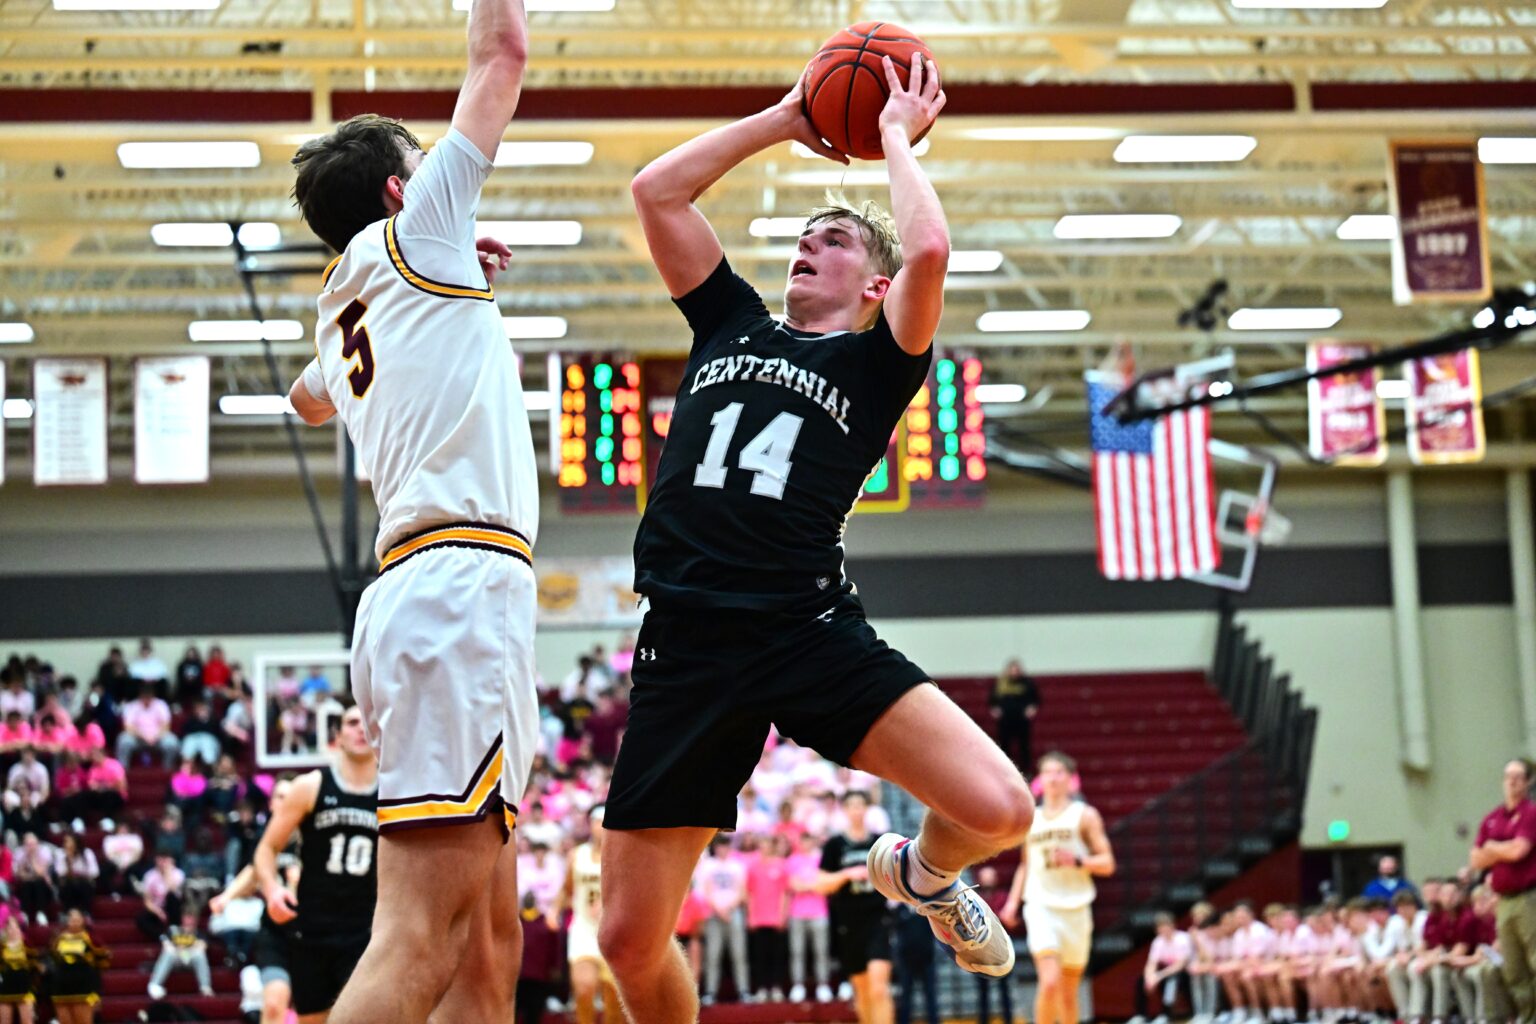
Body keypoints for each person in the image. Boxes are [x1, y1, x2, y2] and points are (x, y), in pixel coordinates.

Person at [600, 50, 1032, 1024]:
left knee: (1002, 807)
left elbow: (928, 253)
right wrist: (788, 119)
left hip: (805, 628)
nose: (809, 241)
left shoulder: (879, 365)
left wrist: (887, 138)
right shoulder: (729, 325)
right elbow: (656, 192)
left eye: (833, 238)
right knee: (626, 941)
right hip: (690, 640)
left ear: (872, 286)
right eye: (805, 232)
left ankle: (921, 874)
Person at [283, 0, 539, 1018]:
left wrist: (437, 288)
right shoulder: (417, 234)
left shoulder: (346, 302)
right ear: (403, 188)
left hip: (424, 601)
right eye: (425, 164)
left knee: (489, 942)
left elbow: (305, 398)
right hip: (457, 593)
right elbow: (502, 49)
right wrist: (438, 265)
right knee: (421, 944)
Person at [254, 706, 377, 1023]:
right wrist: (272, 890)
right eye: (352, 722)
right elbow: (267, 848)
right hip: (313, 931)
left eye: (367, 722)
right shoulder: (309, 786)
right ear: (337, 736)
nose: (361, 729)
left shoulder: (392, 792)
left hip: (367, 932)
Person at [1002, 752, 1116, 1024]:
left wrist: (1078, 860)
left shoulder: (1085, 815)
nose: (1052, 778)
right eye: (1046, 772)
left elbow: (1108, 863)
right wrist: (1012, 903)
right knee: (1050, 982)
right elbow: (1025, 866)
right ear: (1040, 780)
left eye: (1058, 772)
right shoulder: (1032, 818)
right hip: (1041, 906)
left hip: (1076, 909)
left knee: (1068, 992)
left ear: (1071, 779)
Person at [819, 792, 896, 1024]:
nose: (856, 810)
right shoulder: (834, 845)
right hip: (848, 922)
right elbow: (821, 884)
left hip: (878, 919)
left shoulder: (879, 842)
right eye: (851, 806)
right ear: (844, 810)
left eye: (861, 805)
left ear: (868, 809)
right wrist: (847, 874)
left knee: (878, 988)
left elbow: (895, 880)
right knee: (862, 990)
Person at [1469, 758, 1536, 1024]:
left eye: (1518, 776)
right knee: (1513, 968)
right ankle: (1528, 1017)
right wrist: (1502, 849)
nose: (1512, 781)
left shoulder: (1531, 813)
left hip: (1529, 897)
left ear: (1528, 781)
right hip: (1503, 900)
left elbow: (1520, 850)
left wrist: (1492, 848)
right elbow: (1475, 860)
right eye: (1508, 776)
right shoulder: (1492, 818)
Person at [553, 806, 624, 1024]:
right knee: (584, 988)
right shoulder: (576, 855)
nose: (601, 827)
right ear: (590, 825)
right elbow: (566, 889)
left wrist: (610, 905)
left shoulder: (621, 856)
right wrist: (554, 910)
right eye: (596, 821)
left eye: (605, 822)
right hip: (584, 928)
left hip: (613, 931)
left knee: (615, 999)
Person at [786, 830, 834, 1003]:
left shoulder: (820, 858)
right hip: (797, 912)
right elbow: (793, 885)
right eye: (803, 841)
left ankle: (823, 985)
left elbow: (823, 884)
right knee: (797, 951)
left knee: (821, 951)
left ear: (813, 842)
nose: (806, 845)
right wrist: (812, 885)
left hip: (819, 912)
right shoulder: (793, 860)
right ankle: (798, 985)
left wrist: (806, 885)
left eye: (808, 841)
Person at [48, 908, 109, 1024]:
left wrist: (96, 992)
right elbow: (53, 958)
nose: (74, 921)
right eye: (71, 918)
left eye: (77, 918)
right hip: (61, 988)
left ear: (83, 920)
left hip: (83, 988)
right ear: (67, 920)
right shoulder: (58, 938)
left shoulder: (91, 938)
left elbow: (101, 962)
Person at [1131, 911, 1192, 1024]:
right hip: (1165, 971)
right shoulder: (1157, 941)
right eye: (1160, 927)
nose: (1162, 930)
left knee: (1171, 981)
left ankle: (1166, 1014)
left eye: (1165, 926)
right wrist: (1149, 977)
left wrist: (1158, 976)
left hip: (1184, 972)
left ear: (1172, 925)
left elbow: (1180, 965)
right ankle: (1140, 1015)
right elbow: (1151, 963)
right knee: (1141, 980)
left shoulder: (1183, 938)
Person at [147, 908, 215, 999]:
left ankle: (205, 987)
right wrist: (182, 949)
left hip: (191, 959)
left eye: (191, 919)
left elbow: (202, 947)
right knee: (168, 953)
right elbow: (166, 944)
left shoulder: (200, 933)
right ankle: (155, 985)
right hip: (175, 959)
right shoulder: (173, 930)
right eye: (187, 918)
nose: (189, 921)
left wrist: (184, 949)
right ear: (182, 919)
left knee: (200, 955)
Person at [988, 659, 1041, 773]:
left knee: (1024, 745)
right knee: (1004, 744)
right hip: (1005, 719)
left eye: (1016, 669)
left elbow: (1036, 699)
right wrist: (995, 709)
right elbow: (992, 699)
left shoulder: (1027, 683)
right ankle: (1005, 769)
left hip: (1022, 719)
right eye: (1012, 669)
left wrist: (1032, 708)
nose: (1014, 672)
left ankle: (1026, 770)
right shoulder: (1001, 683)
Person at [0, 918, 37, 1024]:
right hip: (5, 988)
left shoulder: (27, 944)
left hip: (24, 986)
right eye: (10, 927)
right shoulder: (2, 947)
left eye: (16, 927)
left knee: (27, 1021)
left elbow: (35, 964)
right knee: (5, 1021)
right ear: (6, 930)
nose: (13, 930)